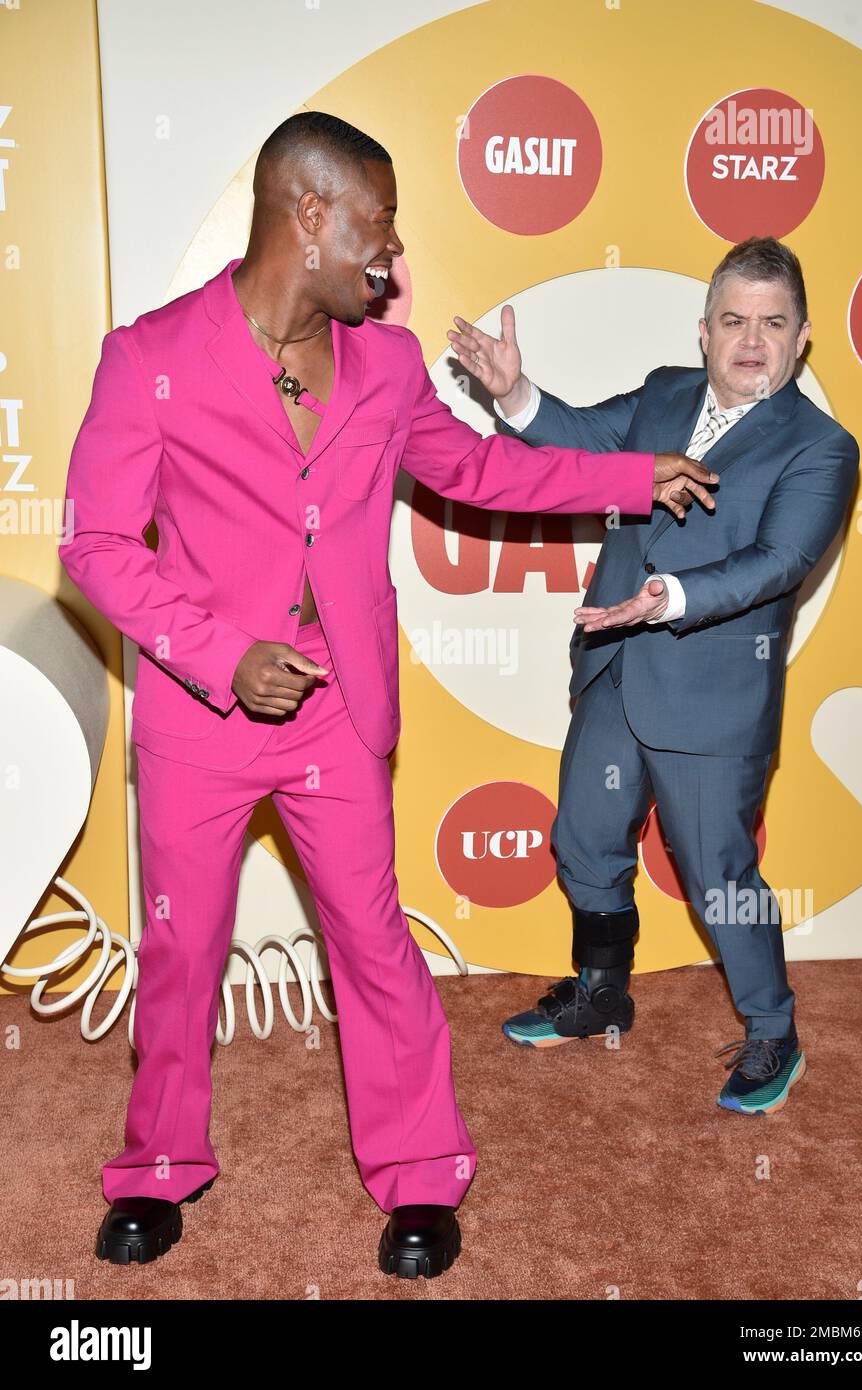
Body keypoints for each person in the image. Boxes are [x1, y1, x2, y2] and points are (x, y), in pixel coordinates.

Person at [59, 111, 714, 1279]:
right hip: (200, 719)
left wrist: (626, 476)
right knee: (180, 951)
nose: (393, 250)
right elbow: (98, 545)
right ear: (308, 216)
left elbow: (477, 468)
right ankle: (158, 1167)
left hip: (335, 712)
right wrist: (219, 654)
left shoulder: (387, 364)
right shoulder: (147, 356)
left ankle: (419, 1176)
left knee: (372, 945)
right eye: (378, 217)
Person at [448, 236, 859, 1115]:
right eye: (734, 321)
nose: (752, 340)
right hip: (616, 670)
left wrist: (665, 596)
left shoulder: (821, 446)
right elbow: (582, 441)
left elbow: (778, 560)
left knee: (719, 877)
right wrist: (514, 393)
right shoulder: (667, 392)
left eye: (773, 323)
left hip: (713, 697)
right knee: (585, 840)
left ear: (804, 338)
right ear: (704, 330)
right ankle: (602, 992)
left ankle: (773, 1033)